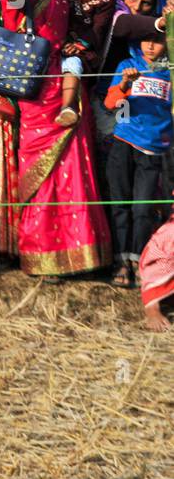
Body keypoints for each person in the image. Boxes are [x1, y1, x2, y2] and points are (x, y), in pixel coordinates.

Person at [2, 0, 111, 278]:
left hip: (65, 85)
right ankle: (42, 253)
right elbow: (14, 14)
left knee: (75, 168)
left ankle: (82, 254)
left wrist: (75, 46)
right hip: (34, 90)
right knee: (43, 173)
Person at [104, 25, 171, 287]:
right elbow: (111, 105)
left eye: (158, 41)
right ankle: (121, 260)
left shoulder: (169, 72)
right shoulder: (128, 65)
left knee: (142, 208)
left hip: (154, 148)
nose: (151, 46)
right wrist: (124, 84)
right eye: (146, 40)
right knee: (120, 205)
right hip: (124, 143)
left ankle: (138, 259)